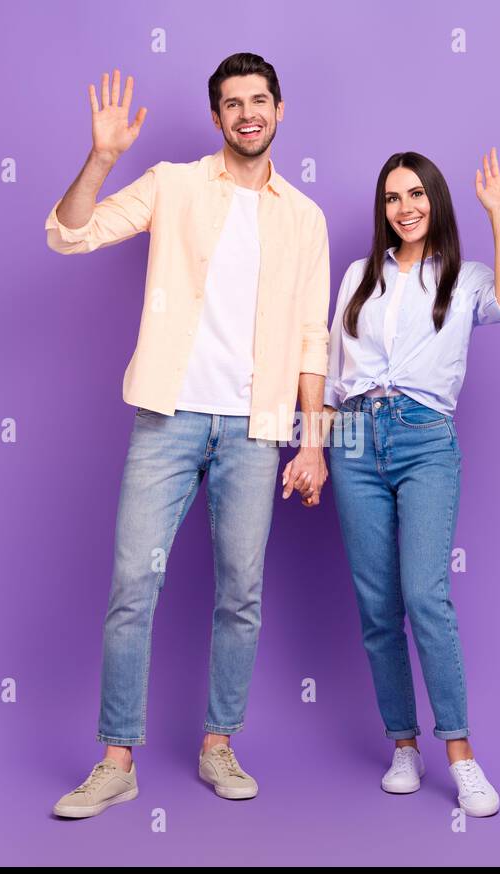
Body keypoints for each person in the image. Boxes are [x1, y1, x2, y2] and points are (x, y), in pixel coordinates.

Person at [43, 53, 332, 819]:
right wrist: (102, 158)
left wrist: (312, 442)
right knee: (133, 585)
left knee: (241, 592)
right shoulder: (172, 185)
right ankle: (116, 760)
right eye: (232, 103)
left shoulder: (304, 217)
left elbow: (312, 339)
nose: (247, 114)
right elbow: (70, 236)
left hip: (255, 428)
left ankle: (218, 743)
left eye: (259, 100)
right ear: (216, 118)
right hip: (168, 418)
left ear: (279, 108)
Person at [312, 148, 500, 817]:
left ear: (435, 201)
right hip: (353, 435)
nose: (404, 209)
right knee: (377, 607)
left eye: (416, 195)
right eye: (392, 198)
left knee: (424, 595)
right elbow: (327, 365)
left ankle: (459, 754)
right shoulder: (358, 276)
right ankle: (403, 744)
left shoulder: (464, 278)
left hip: (424, 436)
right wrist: (315, 448)